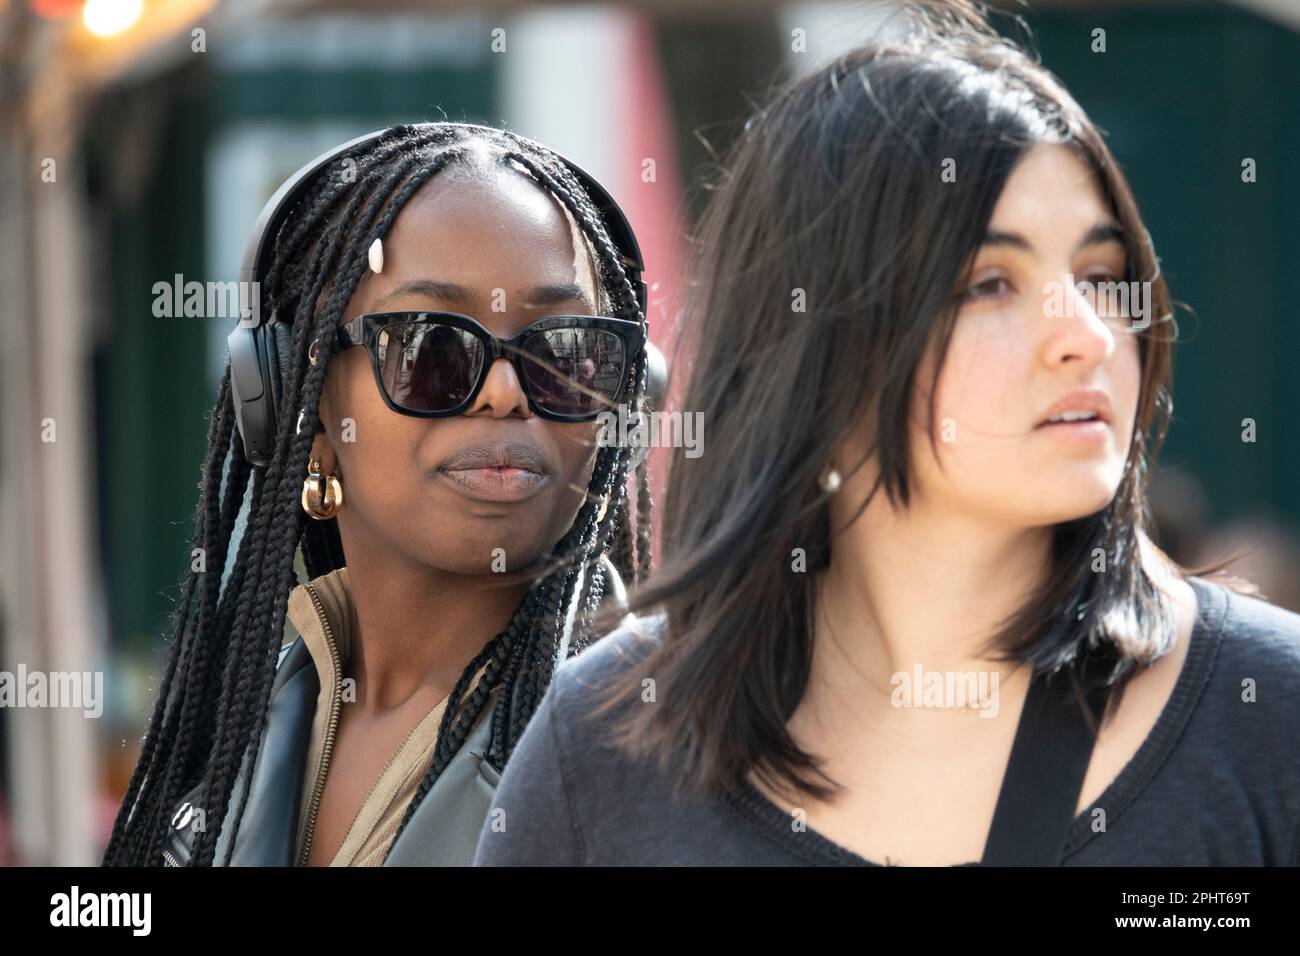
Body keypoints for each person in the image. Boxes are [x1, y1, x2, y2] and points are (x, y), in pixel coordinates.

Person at [474, 5, 1300, 866]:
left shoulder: (1268, 716)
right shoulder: (607, 749)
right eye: (989, 283)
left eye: (1100, 274)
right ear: (816, 344)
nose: (1088, 334)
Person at [102, 122, 655, 866]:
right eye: (431, 348)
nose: (502, 392)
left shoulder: (671, 748)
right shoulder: (230, 738)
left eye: (560, 354)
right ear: (304, 408)